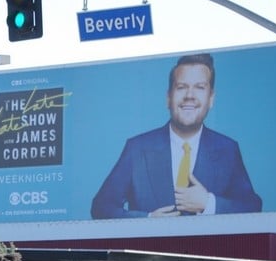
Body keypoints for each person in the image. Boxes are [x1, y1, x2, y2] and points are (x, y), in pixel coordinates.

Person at [91, 53, 262, 219]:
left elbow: (253, 206)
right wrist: (147, 220)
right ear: (168, 97)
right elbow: (101, 207)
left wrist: (208, 203)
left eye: (199, 88)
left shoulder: (227, 149)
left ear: (211, 98)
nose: (189, 96)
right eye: (181, 87)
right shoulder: (137, 148)